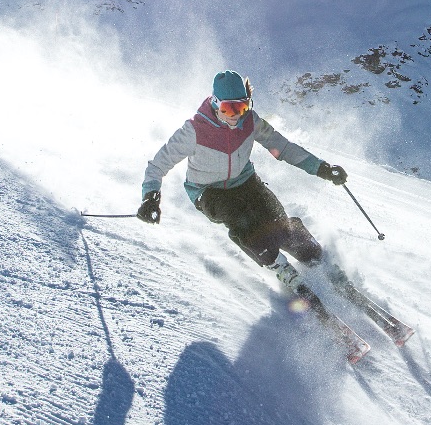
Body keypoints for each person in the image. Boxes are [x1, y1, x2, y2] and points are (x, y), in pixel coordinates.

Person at [138, 70, 348, 285]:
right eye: (228, 108)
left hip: (245, 181)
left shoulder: (250, 122)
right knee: (242, 221)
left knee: (278, 222)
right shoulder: (194, 131)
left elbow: (282, 148)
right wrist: (150, 197)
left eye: (241, 107)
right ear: (215, 103)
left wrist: (320, 168)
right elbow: (158, 164)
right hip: (208, 191)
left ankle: (318, 261)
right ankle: (279, 266)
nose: (235, 115)